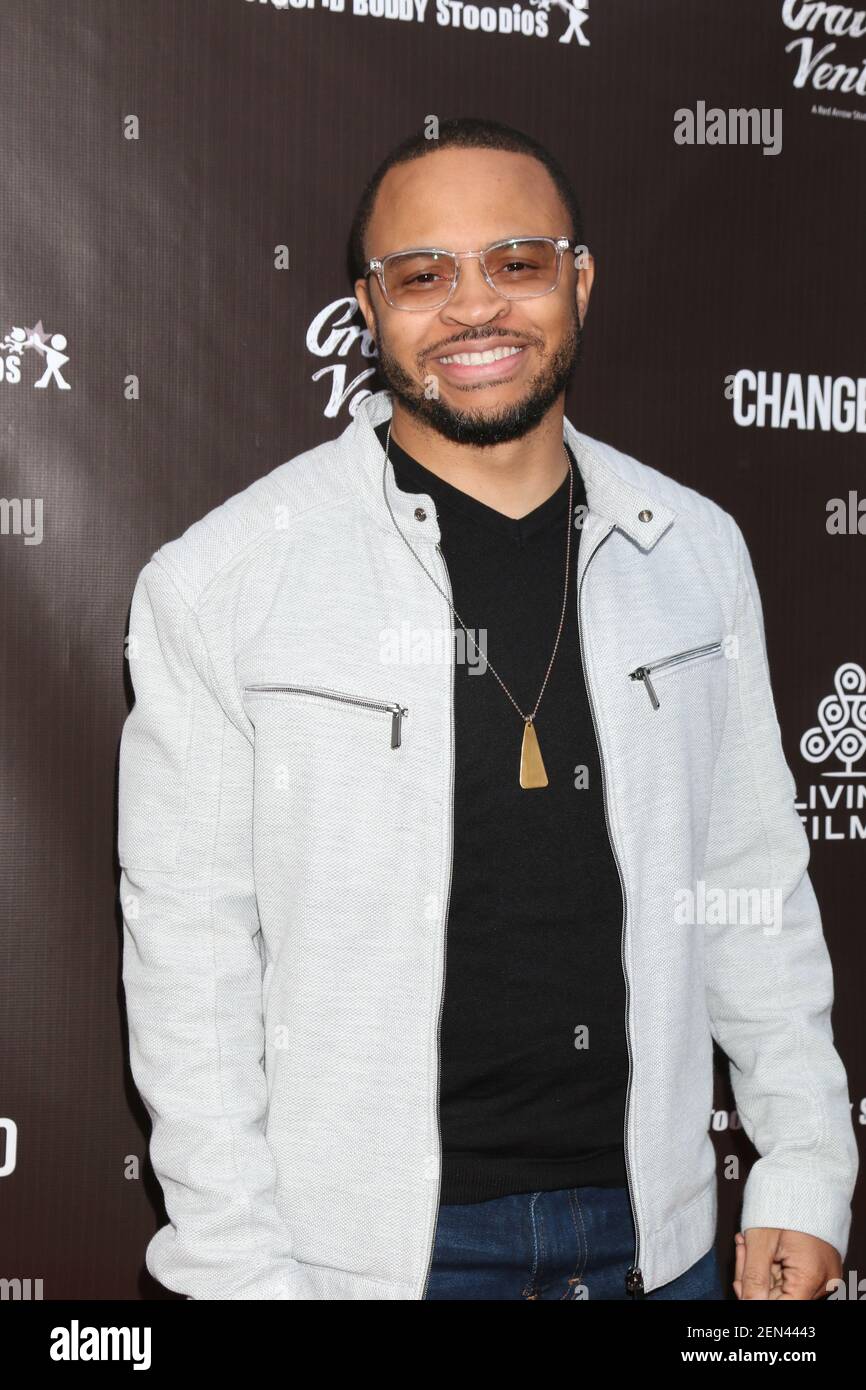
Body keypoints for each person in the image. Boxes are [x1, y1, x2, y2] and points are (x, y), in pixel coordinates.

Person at [118, 117, 858, 1302]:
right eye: (422, 275)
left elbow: (749, 883)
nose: (474, 308)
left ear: (578, 279)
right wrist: (238, 1271)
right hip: (354, 1259)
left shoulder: (693, 550)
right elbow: (189, 964)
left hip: (656, 1237)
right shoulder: (225, 581)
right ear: (368, 308)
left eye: (514, 261)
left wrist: (804, 1166)